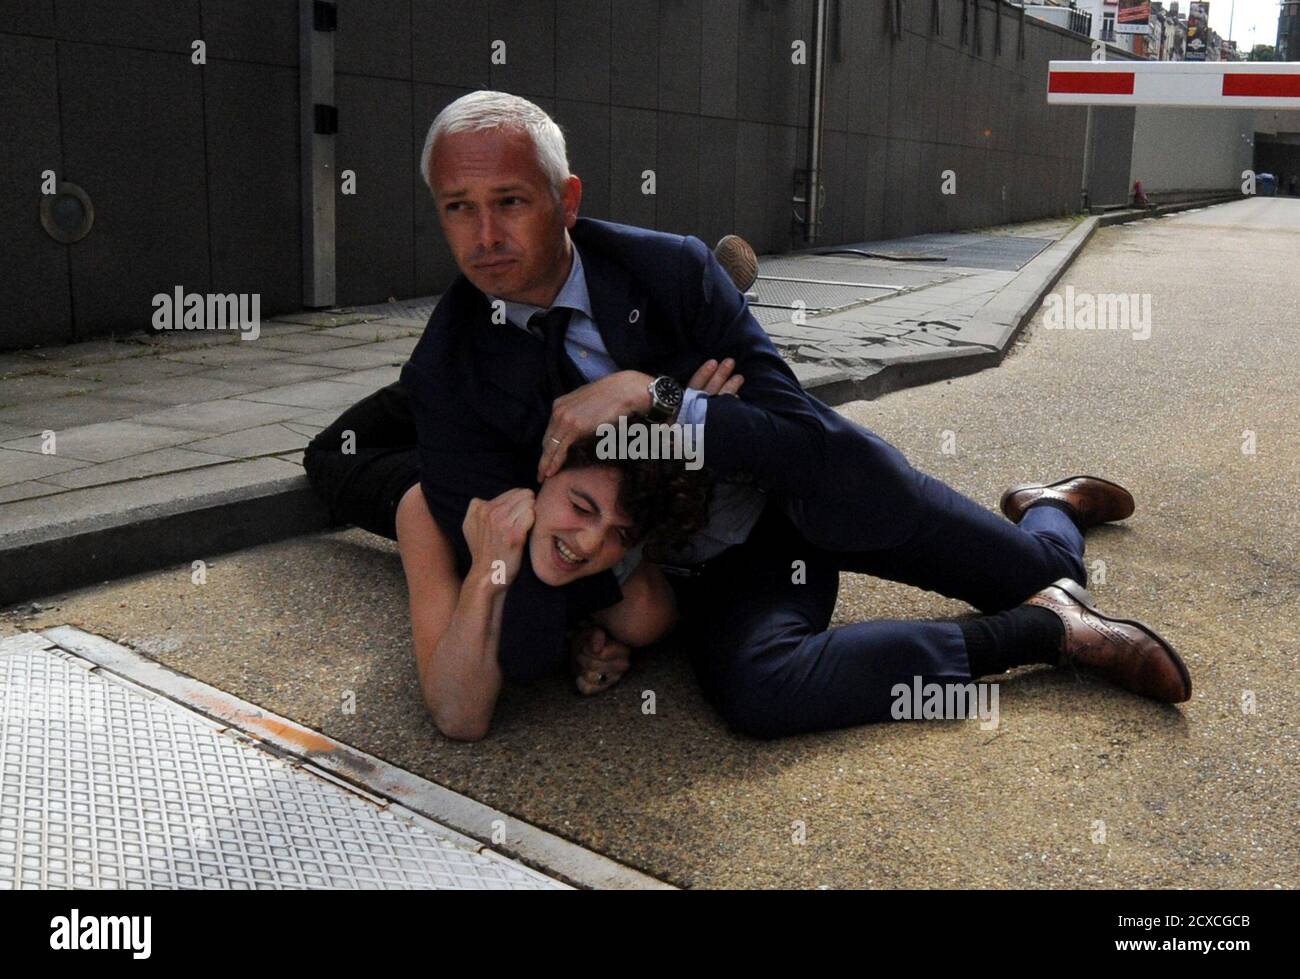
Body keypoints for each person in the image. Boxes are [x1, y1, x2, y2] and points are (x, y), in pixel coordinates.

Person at [305, 90, 1191, 741]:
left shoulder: (672, 272)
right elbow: (526, 600)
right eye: (459, 208)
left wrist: (654, 396)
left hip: (821, 491)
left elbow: (798, 442)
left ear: (566, 200)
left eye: (510, 202)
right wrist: (617, 607)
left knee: (1038, 564)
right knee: (761, 694)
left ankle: (1048, 507)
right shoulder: (450, 372)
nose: (485, 236)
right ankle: (1047, 634)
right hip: (727, 560)